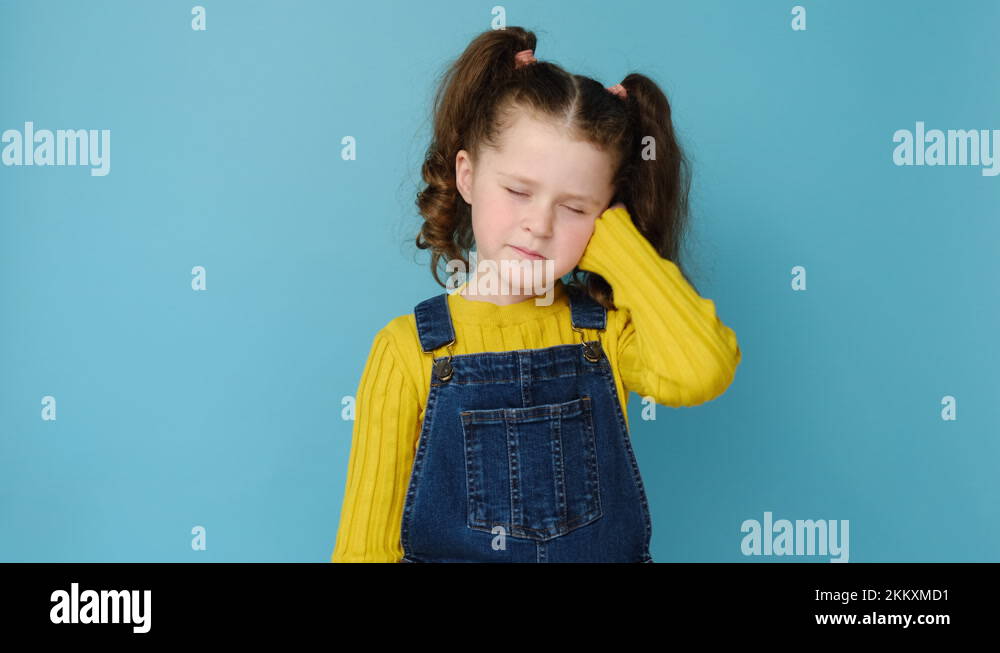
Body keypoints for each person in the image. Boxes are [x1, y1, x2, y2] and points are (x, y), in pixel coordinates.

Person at [331, 26, 742, 563]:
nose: (539, 225)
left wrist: (619, 245)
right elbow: (365, 548)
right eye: (519, 191)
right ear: (468, 175)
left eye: (575, 208)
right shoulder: (408, 350)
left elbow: (702, 368)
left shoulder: (605, 334)